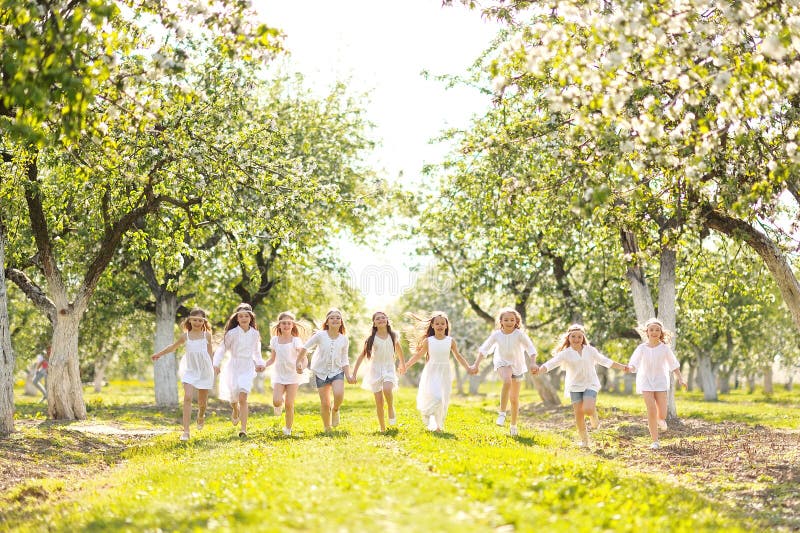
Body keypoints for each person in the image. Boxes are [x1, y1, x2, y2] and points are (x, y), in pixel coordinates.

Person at [534, 324, 629, 448]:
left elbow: (605, 361)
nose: (576, 339)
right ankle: (584, 441)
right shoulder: (565, 353)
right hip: (574, 386)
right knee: (579, 414)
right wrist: (539, 370)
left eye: (579, 336)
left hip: (590, 383)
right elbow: (551, 363)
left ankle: (593, 413)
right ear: (568, 338)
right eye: (573, 336)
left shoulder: (590, 350)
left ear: (583, 338)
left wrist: (622, 367)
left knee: (588, 409)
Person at [470, 307, 538, 436]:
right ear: (501, 321)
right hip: (501, 362)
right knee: (507, 381)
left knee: (514, 399)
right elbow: (484, 349)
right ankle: (502, 413)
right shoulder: (496, 335)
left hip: (517, 366)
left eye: (512, 320)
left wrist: (533, 362)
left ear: (516, 321)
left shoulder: (519, 334)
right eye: (506, 320)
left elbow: (531, 348)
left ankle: (513, 425)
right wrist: (476, 364)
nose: (509, 322)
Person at [151, 308, 215, 442]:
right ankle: (186, 431)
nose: (197, 322)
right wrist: (159, 354)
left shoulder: (207, 336)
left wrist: (213, 368)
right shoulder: (185, 336)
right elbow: (172, 347)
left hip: (205, 370)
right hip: (190, 370)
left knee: (202, 403)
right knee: (188, 397)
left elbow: (210, 353)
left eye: (200, 320)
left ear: (204, 322)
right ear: (189, 320)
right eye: (194, 320)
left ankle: (201, 415)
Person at [403, 311, 472, 432]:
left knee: (443, 399)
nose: (440, 326)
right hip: (431, 371)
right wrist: (407, 365)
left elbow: (458, 356)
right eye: (437, 323)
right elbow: (419, 355)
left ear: (446, 326)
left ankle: (438, 426)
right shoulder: (428, 341)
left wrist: (468, 367)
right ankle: (429, 415)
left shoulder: (450, 341)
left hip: (445, 372)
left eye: (442, 323)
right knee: (435, 396)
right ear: (432, 325)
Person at [628, 318, 687, 449]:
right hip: (645, 381)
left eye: (657, 330)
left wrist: (680, 378)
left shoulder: (665, 348)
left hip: (660, 382)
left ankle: (661, 420)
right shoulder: (641, 348)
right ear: (647, 332)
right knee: (651, 410)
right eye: (651, 330)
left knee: (662, 414)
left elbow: (674, 365)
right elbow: (634, 363)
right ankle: (655, 441)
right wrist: (630, 368)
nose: (654, 332)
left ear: (661, 333)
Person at [213, 303, 266, 438]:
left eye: (246, 316)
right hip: (233, 367)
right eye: (241, 316)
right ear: (237, 318)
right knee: (233, 397)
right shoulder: (231, 333)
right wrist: (216, 364)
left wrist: (260, 363)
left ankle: (243, 429)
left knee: (243, 397)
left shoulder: (255, 334)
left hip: (247, 367)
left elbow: (256, 352)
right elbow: (222, 349)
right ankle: (235, 409)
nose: (243, 318)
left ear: (251, 318)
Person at [296, 309, 352, 433]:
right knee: (325, 403)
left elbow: (344, 359)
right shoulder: (320, 335)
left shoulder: (344, 339)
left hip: (337, 370)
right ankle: (327, 427)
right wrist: (298, 362)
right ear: (327, 322)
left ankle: (335, 409)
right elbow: (305, 347)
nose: (335, 319)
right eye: (332, 318)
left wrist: (348, 375)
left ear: (341, 322)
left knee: (339, 394)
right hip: (321, 372)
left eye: (338, 318)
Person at [350, 311, 406, 432]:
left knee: (387, 389)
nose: (381, 320)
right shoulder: (372, 339)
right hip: (375, 370)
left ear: (387, 320)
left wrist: (402, 363)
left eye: (383, 317)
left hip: (389, 368)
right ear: (374, 323)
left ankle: (390, 407)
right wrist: (354, 374)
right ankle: (382, 428)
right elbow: (361, 356)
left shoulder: (393, 336)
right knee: (379, 402)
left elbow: (399, 350)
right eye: (378, 319)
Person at [264, 311, 309, 436]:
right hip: (279, 374)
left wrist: (301, 367)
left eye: (289, 323)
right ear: (279, 325)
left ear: (293, 325)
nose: (286, 325)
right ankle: (278, 404)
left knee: (289, 403)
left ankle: (288, 429)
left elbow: (304, 358)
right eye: (283, 323)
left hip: (293, 375)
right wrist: (263, 365)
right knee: (276, 401)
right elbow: (272, 359)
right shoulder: (275, 340)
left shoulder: (296, 341)